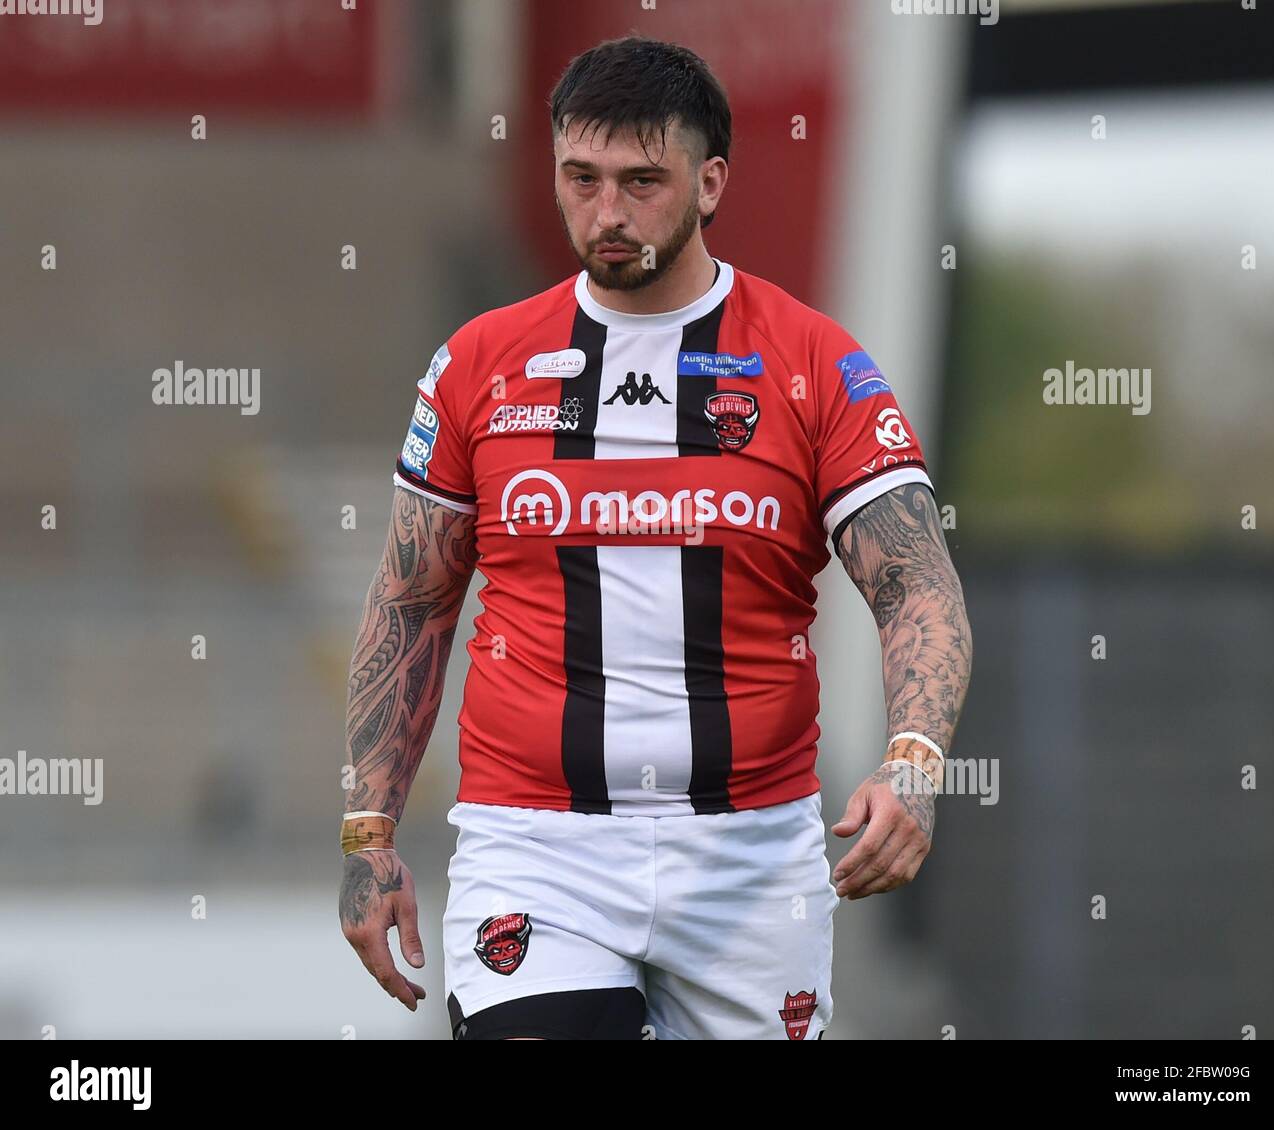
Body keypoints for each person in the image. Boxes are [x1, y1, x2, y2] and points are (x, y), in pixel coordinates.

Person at [338, 35, 972, 1040]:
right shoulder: (480, 364)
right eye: (580, 179)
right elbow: (411, 600)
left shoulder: (813, 361)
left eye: (642, 181)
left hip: (750, 859)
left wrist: (913, 761)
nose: (606, 212)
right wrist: (369, 831)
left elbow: (918, 586)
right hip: (539, 845)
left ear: (710, 181)